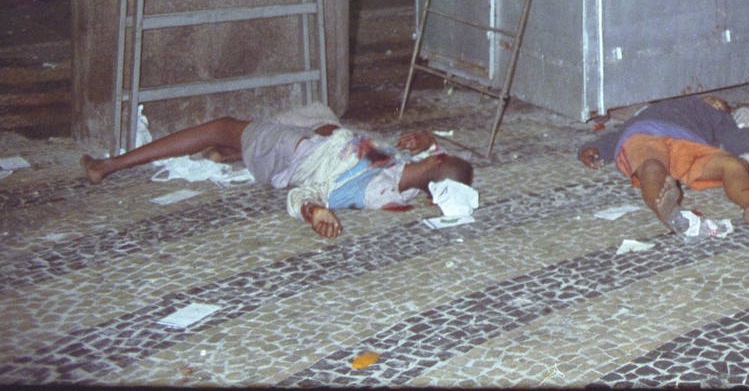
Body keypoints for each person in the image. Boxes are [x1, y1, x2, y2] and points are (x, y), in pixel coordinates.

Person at [82, 115, 473, 238]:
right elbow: (442, 162)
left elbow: (309, 192)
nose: (436, 151)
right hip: (308, 143)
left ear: (436, 167)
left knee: (223, 124)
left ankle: (108, 166)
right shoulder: (405, 173)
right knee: (323, 119)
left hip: (290, 152)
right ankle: (232, 154)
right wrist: (428, 138)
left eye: (439, 154)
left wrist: (313, 211)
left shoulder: (370, 187)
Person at [579, 95, 749, 229]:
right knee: (650, 166)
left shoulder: (720, 118)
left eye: (723, 104)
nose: (718, 102)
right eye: (716, 101)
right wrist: (593, 148)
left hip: (691, 147)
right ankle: (668, 214)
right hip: (645, 134)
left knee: (734, 164)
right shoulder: (655, 110)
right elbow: (618, 134)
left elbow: (738, 140)